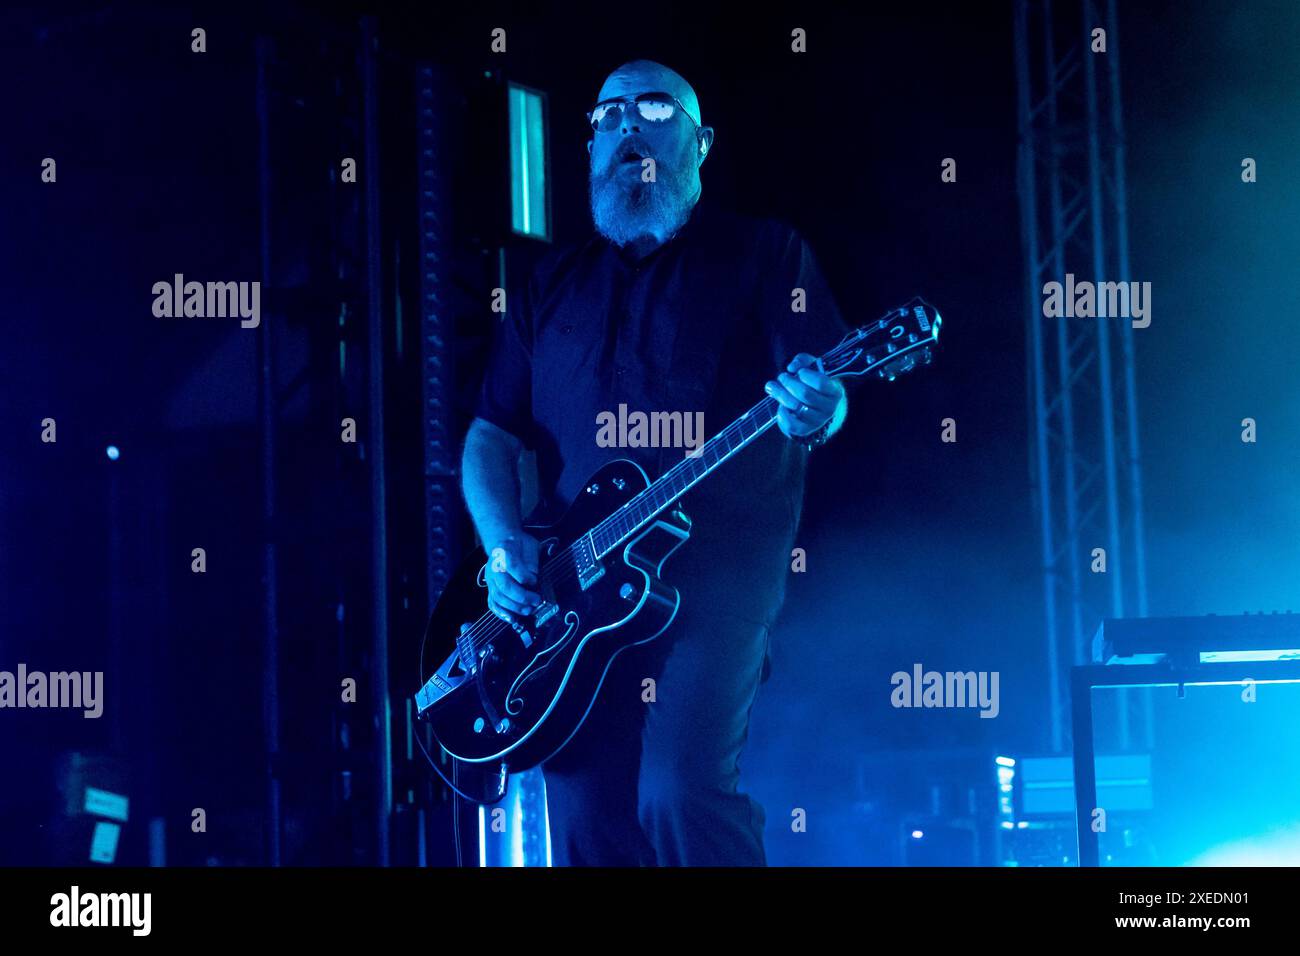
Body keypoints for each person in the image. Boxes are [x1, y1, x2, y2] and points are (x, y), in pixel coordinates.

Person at [460, 60, 849, 865]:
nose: (626, 126)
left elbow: (825, 388)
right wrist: (506, 546)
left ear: (700, 141)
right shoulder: (547, 283)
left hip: (711, 586)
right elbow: (489, 436)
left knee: (677, 792)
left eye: (652, 107)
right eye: (606, 115)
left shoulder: (765, 254)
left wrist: (822, 405)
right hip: (571, 600)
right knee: (581, 822)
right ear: (590, 148)